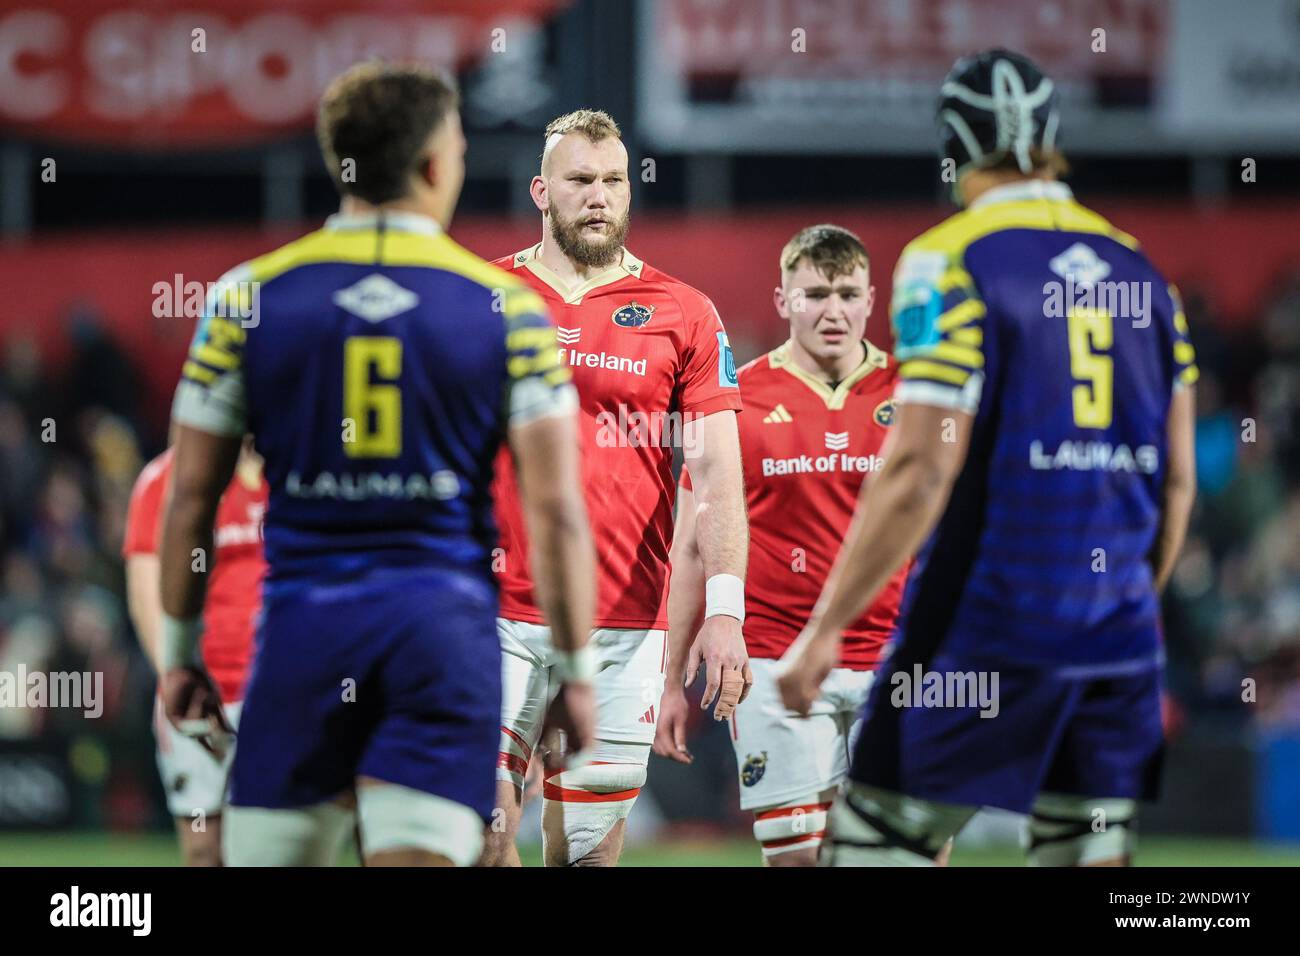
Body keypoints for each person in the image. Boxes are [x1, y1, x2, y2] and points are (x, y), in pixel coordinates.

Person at [156, 62, 596, 867]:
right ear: (435, 165)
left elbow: (188, 499)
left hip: (302, 637)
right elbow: (558, 510)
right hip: (441, 642)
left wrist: (178, 654)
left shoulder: (244, 298)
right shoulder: (509, 308)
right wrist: (575, 669)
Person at [778, 49, 1198, 867]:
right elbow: (1177, 481)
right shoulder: (1145, 274)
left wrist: (824, 631)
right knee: (1086, 852)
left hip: (991, 621)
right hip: (1117, 633)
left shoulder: (950, 257)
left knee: (877, 842)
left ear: (954, 150)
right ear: (1053, 138)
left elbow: (920, 467)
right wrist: (1126, 605)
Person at [480, 109, 749, 867]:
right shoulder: (482, 297)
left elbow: (719, 471)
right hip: (489, 611)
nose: (599, 196)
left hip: (623, 628)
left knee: (589, 857)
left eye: (613, 181)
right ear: (541, 190)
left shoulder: (685, 313)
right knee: (483, 832)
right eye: (580, 181)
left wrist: (725, 610)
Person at [660, 224, 908, 865]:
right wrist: (668, 682)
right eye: (814, 293)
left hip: (897, 656)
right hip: (774, 655)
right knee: (797, 857)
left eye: (848, 293)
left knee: (907, 855)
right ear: (782, 300)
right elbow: (691, 541)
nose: (833, 310)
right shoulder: (733, 399)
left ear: (871, 299)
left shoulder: (914, 397)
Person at [123, 437, 266, 865]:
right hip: (205, 693)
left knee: (282, 847)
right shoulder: (165, 481)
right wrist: (177, 678)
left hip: (283, 694)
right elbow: (147, 596)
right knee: (204, 848)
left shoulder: (297, 471)